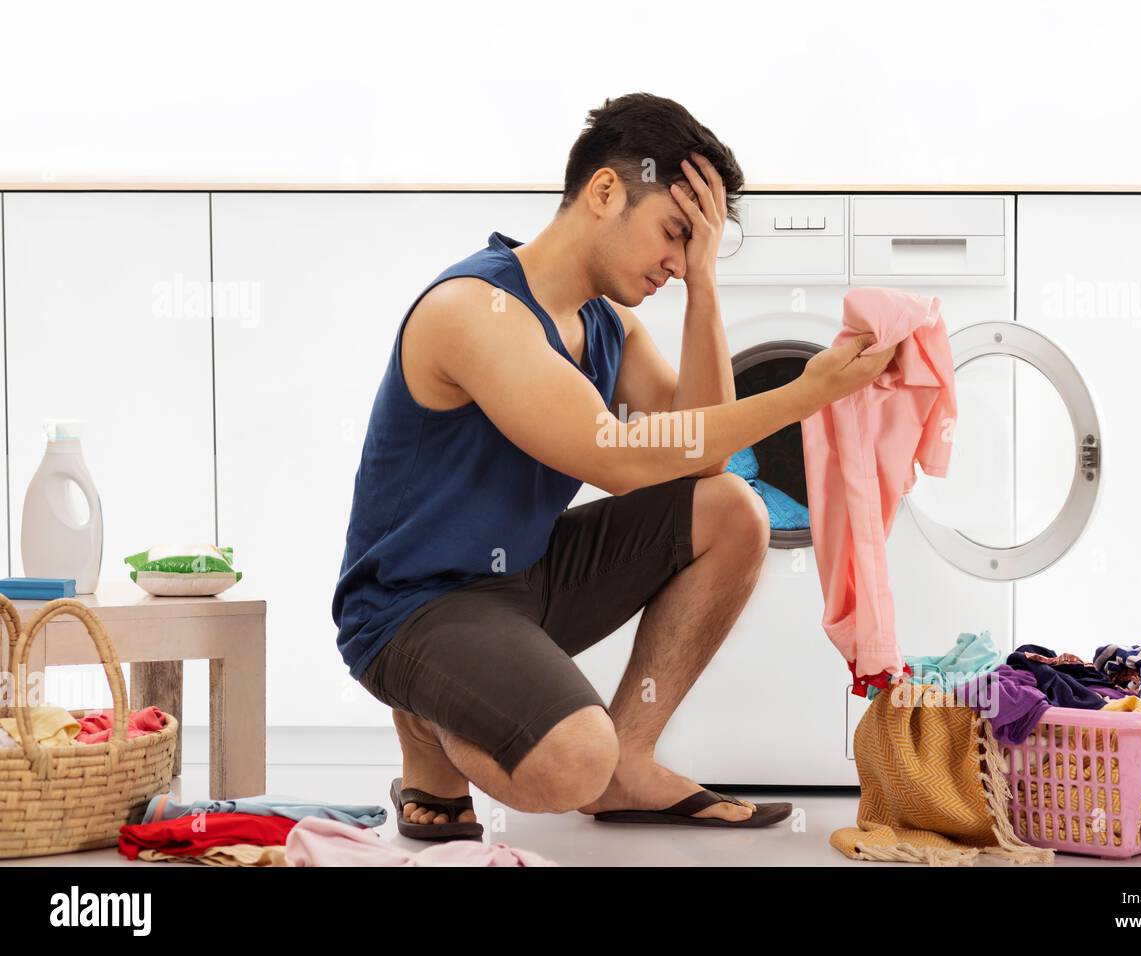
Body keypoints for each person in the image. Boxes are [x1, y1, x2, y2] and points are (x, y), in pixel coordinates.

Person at [332, 92, 896, 836]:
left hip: (524, 579)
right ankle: (430, 724)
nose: (677, 257)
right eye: (674, 231)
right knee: (571, 760)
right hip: (416, 607)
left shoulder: (607, 324)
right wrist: (803, 394)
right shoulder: (473, 310)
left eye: (695, 241)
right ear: (604, 192)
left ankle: (627, 761)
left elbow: (707, 456)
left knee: (733, 509)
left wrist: (704, 288)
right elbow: (621, 458)